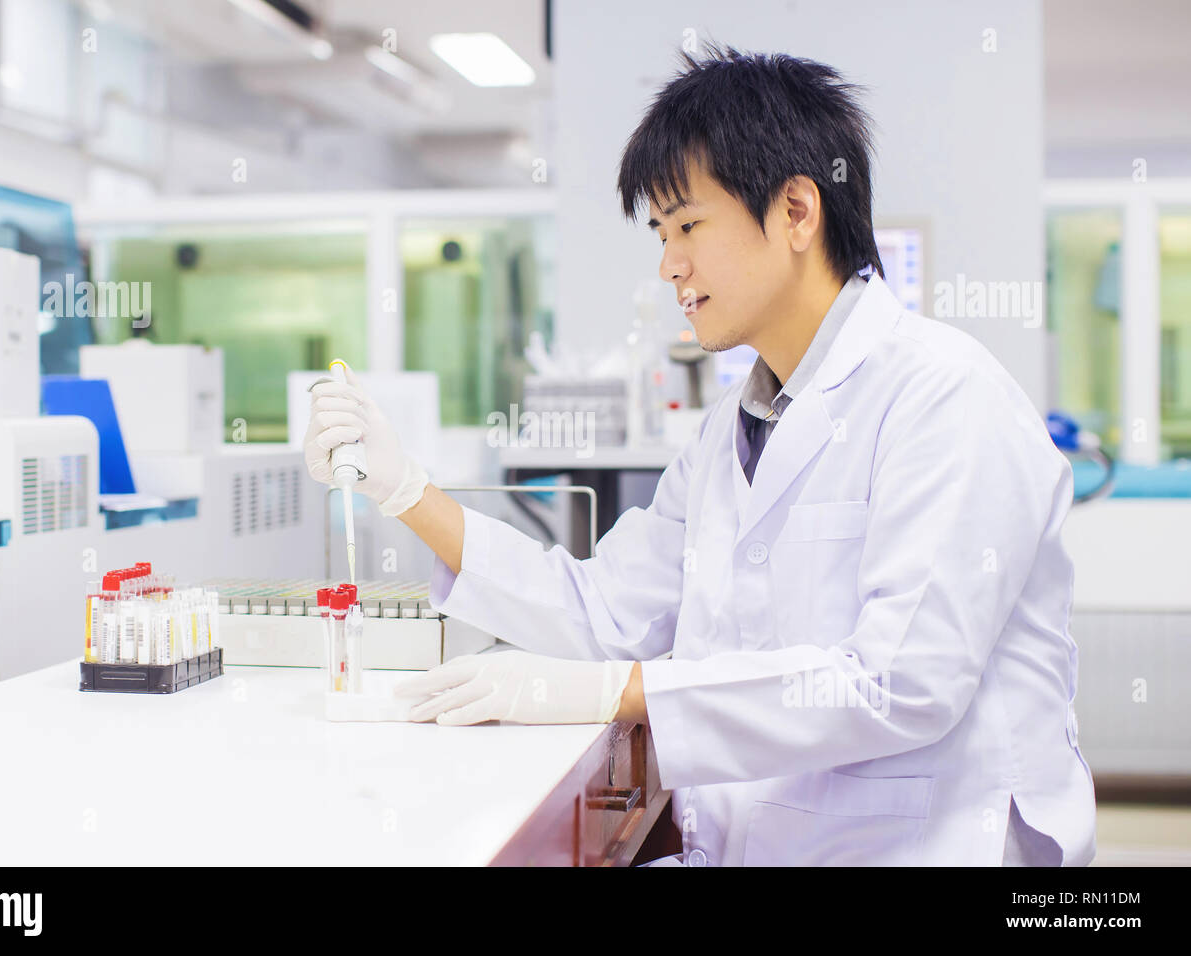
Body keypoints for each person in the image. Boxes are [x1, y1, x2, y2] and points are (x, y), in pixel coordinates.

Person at [303, 44, 1096, 867]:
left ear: (796, 211)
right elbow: (605, 613)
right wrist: (404, 490)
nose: (669, 264)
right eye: (661, 231)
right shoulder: (733, 429)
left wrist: (622, 692)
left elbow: (898, 683)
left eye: (688, 225)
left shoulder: (944, 396)